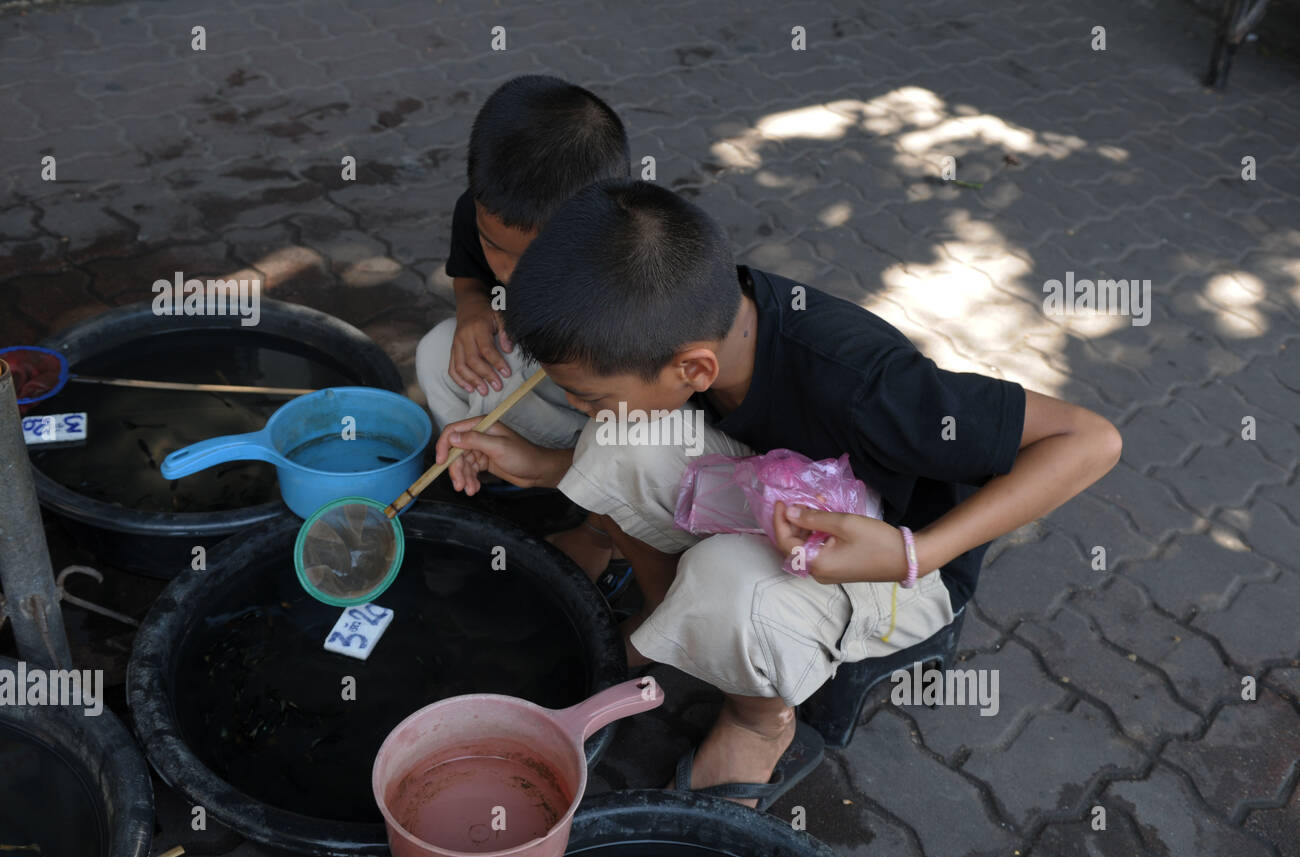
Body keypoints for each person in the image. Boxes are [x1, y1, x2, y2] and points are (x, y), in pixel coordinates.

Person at [432, 181, 1123, 810]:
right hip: (783, 501)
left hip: (900, 563)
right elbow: (623, 449)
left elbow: (1091, 439)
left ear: (692, 368)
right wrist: (545, 463)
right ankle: (671, 617)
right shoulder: (698, 315)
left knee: (727, 582)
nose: (584, 404)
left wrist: (915, 549)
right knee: (614, 445)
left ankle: (759, 719)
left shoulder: (868, 387)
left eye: (592, 394)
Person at [414, 74, 633, 582]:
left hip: (615, 412)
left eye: (533, 257)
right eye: (497, 248)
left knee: (639, 450)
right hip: (540, 370)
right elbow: (471, 271)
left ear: (600, 226)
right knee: (436, 352)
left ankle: (605, 528)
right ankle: (488, 463)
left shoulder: (633, 267)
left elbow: (647, 423)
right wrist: (471, 309)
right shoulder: (486, 207)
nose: (510, 273)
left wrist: (594, 529)